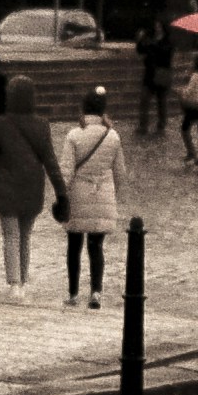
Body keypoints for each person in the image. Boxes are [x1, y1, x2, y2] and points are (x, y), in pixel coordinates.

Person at [51, 85, 127, 308]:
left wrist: (61, 195)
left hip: (78, 194)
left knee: (74, 246)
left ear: (83, 109)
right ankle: (96, 292)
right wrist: (113, 194)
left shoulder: (74, 135)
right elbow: (120, 172)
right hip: (102, 194)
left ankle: (73, 293)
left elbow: (66, 170)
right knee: (96, 247)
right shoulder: (112, 136)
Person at [0, 73, 55, 293]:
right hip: (33, 186)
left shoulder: (0, 123)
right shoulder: (42, 124)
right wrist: (60, 191)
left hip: (7, 186)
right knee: (25, 235)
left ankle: (14, 282)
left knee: (11, 235)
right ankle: (22, 280)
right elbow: (50, 160)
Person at [137, 23, 174, 137]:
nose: (157, 28)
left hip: (161, 74)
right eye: (156, 26)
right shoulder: (150, 39)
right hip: (149, 74)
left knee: (161, 102)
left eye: (159, 26)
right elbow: (140, 50)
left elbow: (165, 54)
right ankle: (143, 125)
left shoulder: (168, 42)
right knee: (144, 100)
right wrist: (140, 40)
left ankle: (161, 126)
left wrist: (152, 46)